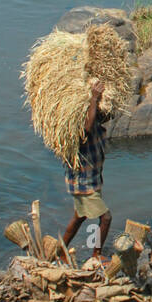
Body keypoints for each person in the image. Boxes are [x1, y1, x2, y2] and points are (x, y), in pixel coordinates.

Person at [62, 78, 111, 263]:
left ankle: (60, 252)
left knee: (80, 217)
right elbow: (87, 130)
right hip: (83, 184)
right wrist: (93, 97)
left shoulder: (93, 118)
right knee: (105, 218)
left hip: (92, 180)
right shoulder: (75, 130)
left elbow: (103, 118)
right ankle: (96, 255)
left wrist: (99, 101)